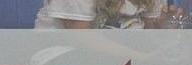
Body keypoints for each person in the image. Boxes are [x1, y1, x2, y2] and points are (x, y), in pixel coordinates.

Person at [35, 0, 184, 29]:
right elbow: (80, 38)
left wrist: (166, 23)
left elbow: (149, 31)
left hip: (120, 62)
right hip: (60, 63)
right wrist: (142, 58)